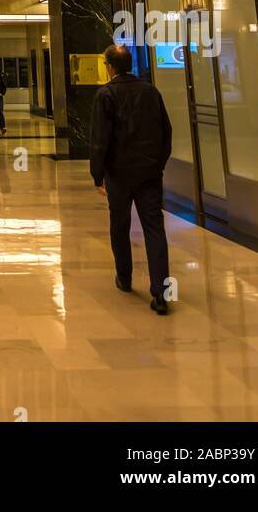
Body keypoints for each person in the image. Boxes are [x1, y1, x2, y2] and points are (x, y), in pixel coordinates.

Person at [90, 44, 173, 314]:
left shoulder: (106, 95)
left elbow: (100, 140)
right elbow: (166, 133)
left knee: (120, 224)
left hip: (119, 173)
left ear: (110, 66)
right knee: (154, 228)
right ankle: (161, 293)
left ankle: (124, 278)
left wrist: (97, 174)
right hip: (149, 173)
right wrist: (157, 164)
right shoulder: (151, 92)